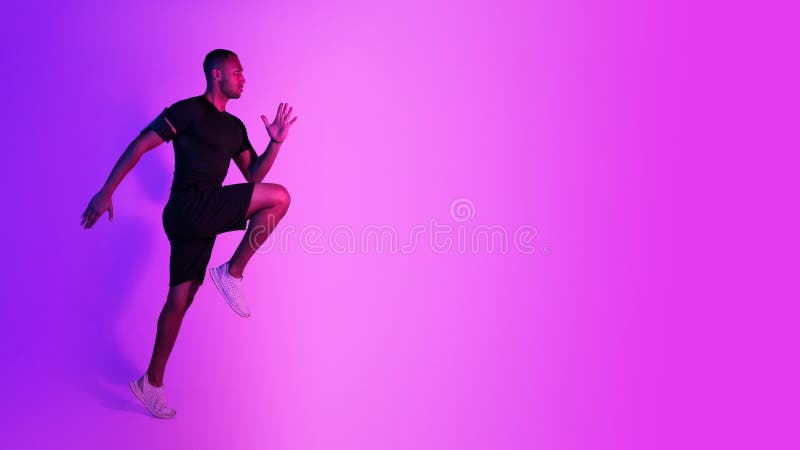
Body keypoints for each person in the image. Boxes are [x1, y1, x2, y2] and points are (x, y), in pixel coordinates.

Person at [80, 49, 298, 418]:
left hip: (201, 216)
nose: (243, 78)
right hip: (188, 206)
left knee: (179, 303)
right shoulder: (187, 111)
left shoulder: (235, 128)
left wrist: (276, 141)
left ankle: (150, 383)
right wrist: (106, 191)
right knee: (280, 198)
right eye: (237, 72)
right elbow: (140, 144)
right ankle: (232, 273)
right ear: (216, 75)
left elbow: (254, 176)